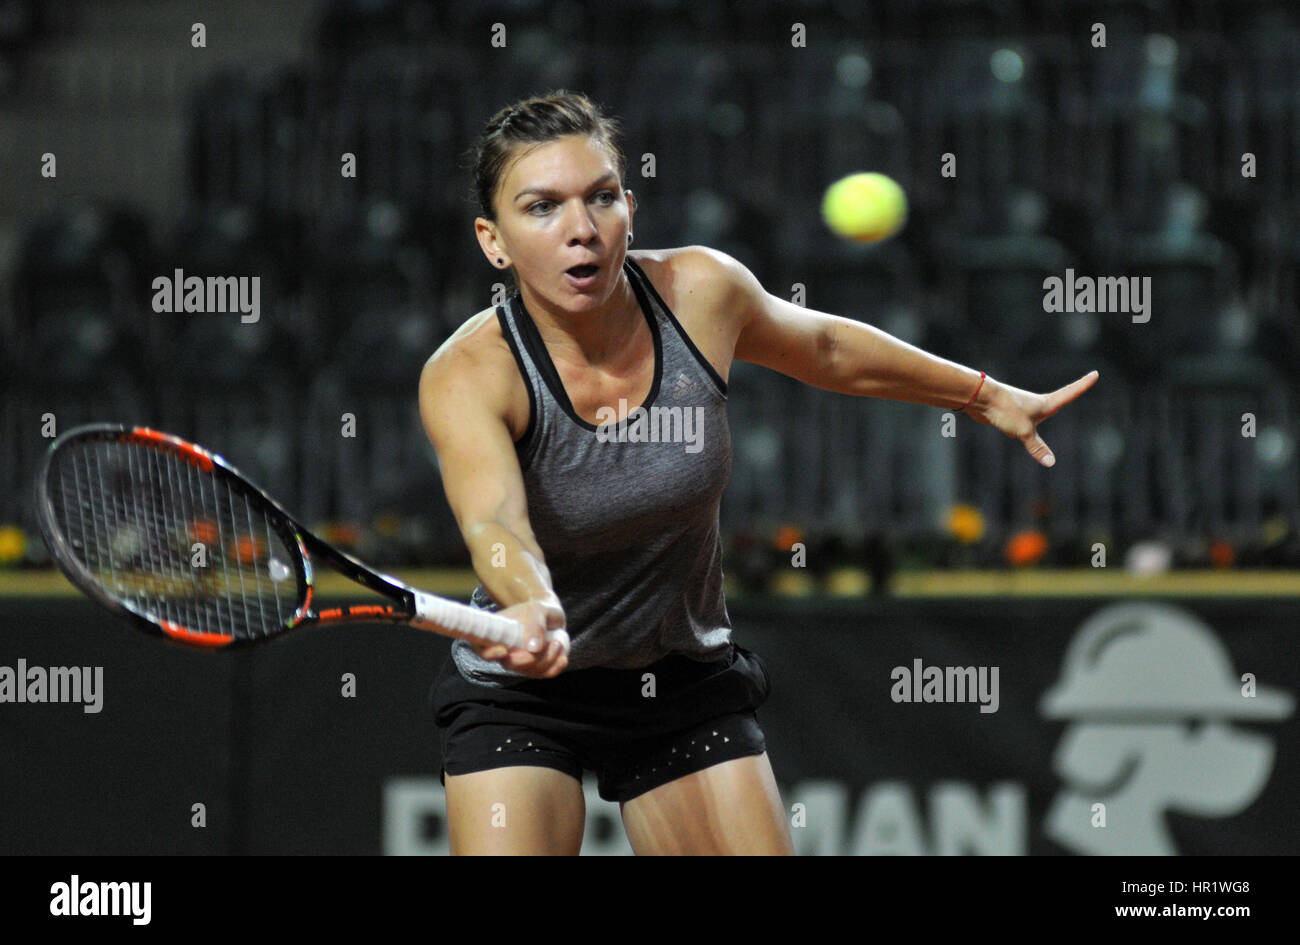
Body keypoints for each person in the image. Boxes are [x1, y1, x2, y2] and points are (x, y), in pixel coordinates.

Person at [419, 90, 1098, 855]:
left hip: (677, 679)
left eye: (601, 198)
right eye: (542, 207)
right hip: (524, 696)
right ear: (493, 240)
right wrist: (531, 599)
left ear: (629, 209)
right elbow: (493, 520)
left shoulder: (701, 292)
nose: (581, 230)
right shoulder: (469, 373)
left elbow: (830, 350)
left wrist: (982, 394)